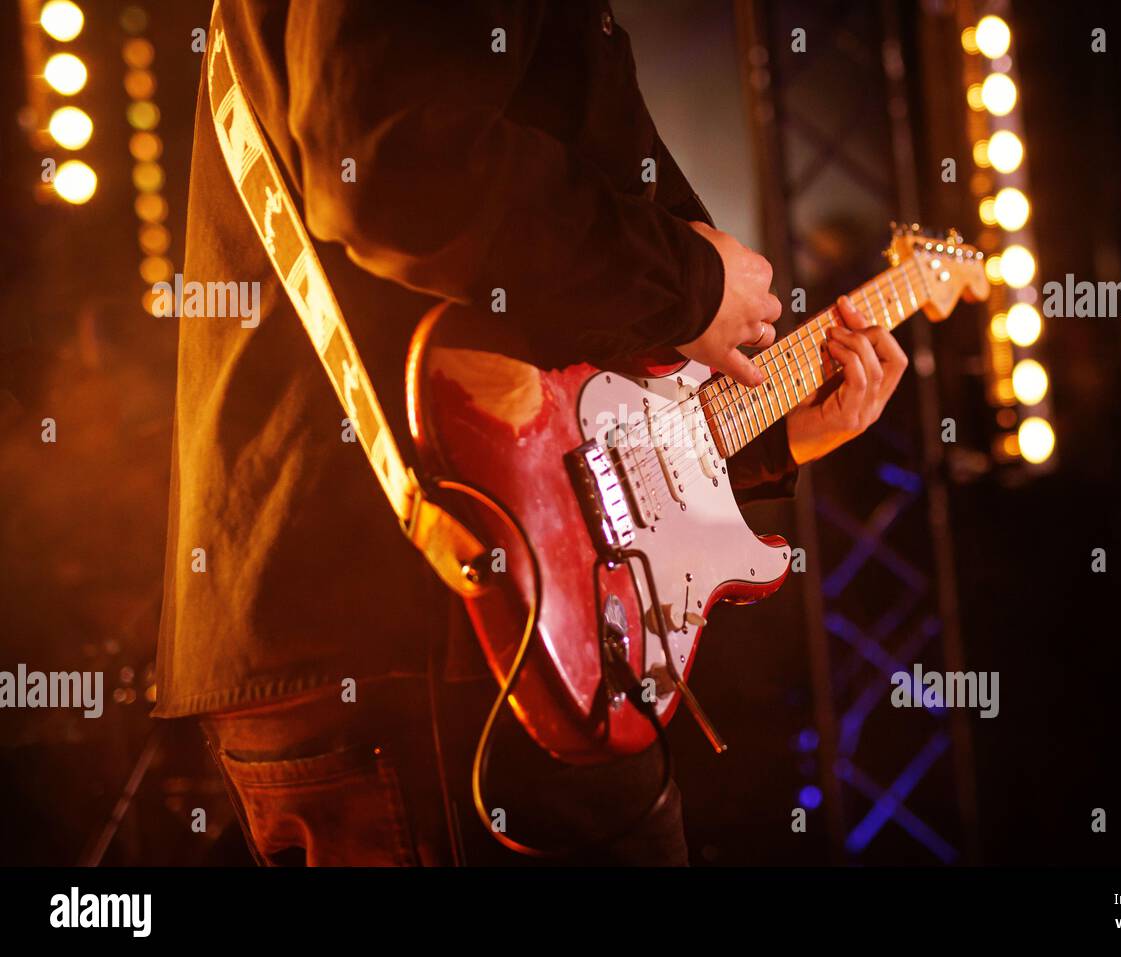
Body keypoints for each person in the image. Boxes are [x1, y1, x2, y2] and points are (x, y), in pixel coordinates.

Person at [155, 0, 907, 866]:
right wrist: (691, 282)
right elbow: (394, 169)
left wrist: (766, 435)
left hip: (448, 626)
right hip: (438, 633)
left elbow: (565, 370)